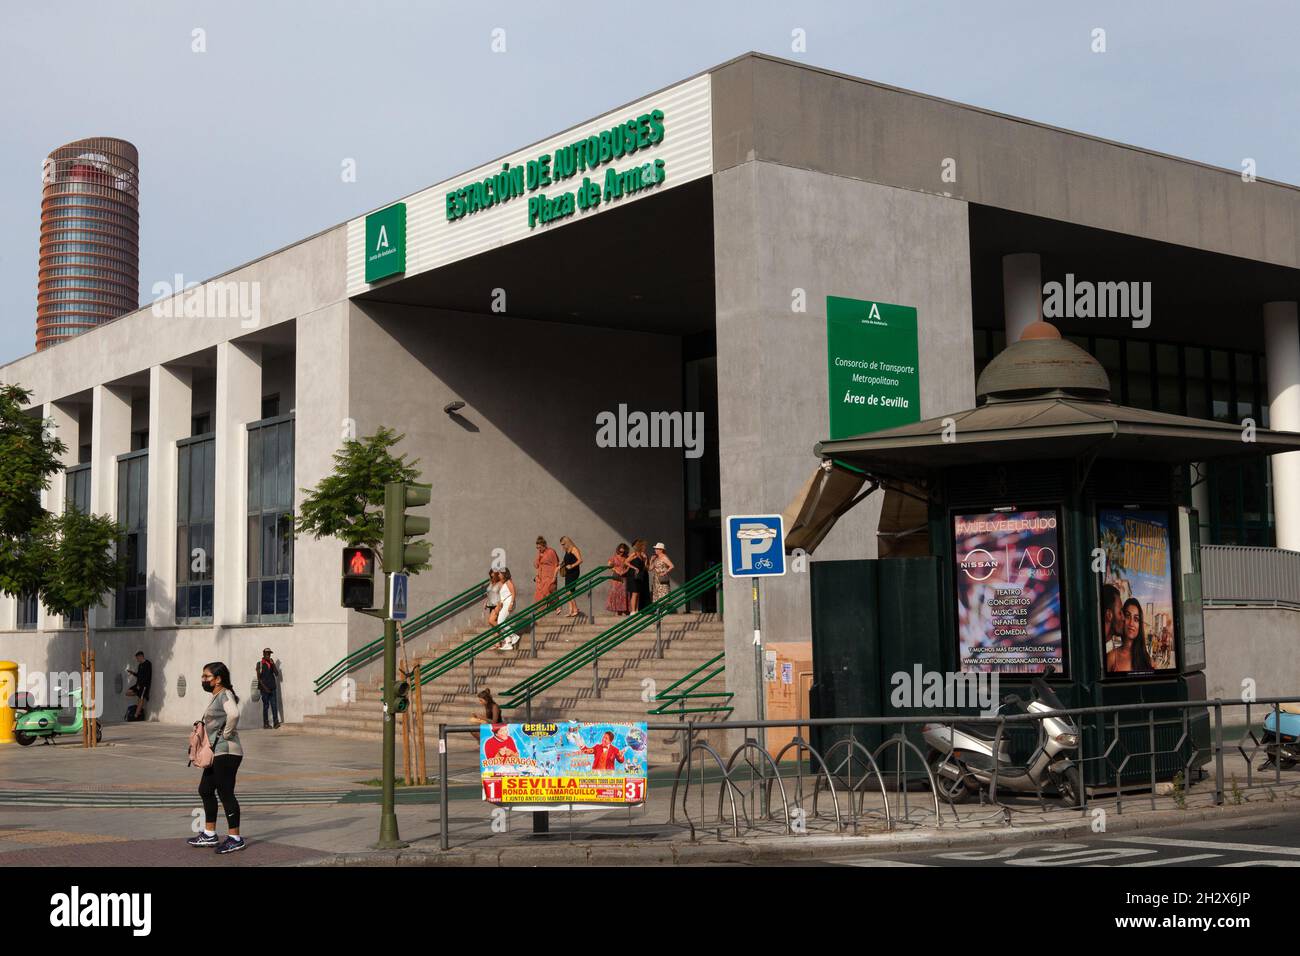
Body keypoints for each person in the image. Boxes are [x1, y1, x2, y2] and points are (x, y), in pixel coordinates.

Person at [187, 662, 245, 854]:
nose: (203, 680)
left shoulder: (225, 694)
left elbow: (234, 714)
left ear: (218, 679)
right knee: (205, 789)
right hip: (216, 753)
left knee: (225, 793)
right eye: (203, 676)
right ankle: (209, 834)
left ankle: (235, 837)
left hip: (227, 752)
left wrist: (227, 733)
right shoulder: (216, 697)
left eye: (206, 676)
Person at [1107, 597, 1155, 673]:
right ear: (1122, 618)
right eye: (1127, 616)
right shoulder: (1111, 657)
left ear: (1140, 625)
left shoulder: (1148, 660)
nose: (1131, 623)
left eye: (1136, 619)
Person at [494, 568, 519, 651]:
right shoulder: (504, 583)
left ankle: (513, 636)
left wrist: (511, 603)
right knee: (501, 622)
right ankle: (508, 642)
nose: (499, 575)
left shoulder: (508, 582)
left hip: (509, 602)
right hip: (505, 603)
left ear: (504, 574)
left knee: (500, 622)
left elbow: (513, 593)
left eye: (500, 574)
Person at [256, 648, 281, 729]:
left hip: (272, 687)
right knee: (266, 706)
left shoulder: (271, 663)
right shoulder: (259, 664)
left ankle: (276, 723)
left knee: (274, 705)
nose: (268, 655)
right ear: (263, 654)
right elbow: (259, 678)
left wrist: (273, 664)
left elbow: (276, 674)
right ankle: (266, 724)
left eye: (269, 654)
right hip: (264, 689)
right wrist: (265, 688)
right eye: (267, 653)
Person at [559, 536, 583, 618]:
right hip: (568, 572)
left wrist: (572, 565)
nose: (562, 546)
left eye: (563, 544)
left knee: (568, 590)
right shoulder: (567, 551)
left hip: (574, 572)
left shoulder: (574, 549)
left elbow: (580, 560)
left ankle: (575, 608)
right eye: (561, 544)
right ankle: (571, 610)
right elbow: (566, 561)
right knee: (569, 591)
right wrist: (561, 564)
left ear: (567, 542)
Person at [534, 536, 560, 607]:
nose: (539, 549)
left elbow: (556, 564)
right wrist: (539, 557)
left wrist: (555, 576)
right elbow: (536, 565)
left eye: (540, 547)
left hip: (550, 575)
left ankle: (557, 606)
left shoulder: (551, 551)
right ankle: (543, 610)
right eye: (537, 548)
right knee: (540, 594)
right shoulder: (539, 554)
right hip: (542, 577)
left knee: (548, 590)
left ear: (544, 545)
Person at [626, 539, 651, 614]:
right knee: (634, 593)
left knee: (638, 593)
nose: (644, 547)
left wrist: (645, 559)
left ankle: (636, 610)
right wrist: (634, 567)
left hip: (639, 576)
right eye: (643, 546)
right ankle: (633, 610)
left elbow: (645, 567)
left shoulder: (642, 555)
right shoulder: (634, 554)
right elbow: (626, 562)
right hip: (633, 576)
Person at [605, 543, 630, 615]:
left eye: (623, 552)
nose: (621, 553)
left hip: (624, 577)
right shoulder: (613, 557)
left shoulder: (627, 557)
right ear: (618, 550)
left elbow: (629, 566)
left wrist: (625, 571)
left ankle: (625, 610)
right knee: (616, 593)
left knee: (624, 593)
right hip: (616, 578)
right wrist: (616, 570)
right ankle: (618, 611)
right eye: (620, 551)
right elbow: (609, 565)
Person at [126, 651, 151, 721]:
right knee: (128, 692)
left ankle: (136, 715)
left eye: (137, 658)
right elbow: (139, 675)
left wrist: (141, 685)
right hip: (138, 685)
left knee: (141, 699)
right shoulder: (140, 665)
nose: (137, 660)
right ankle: (139, 694)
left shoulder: (148, 664)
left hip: (144, 685)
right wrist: (133, 673)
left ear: (141, 656)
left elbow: (147, 676)